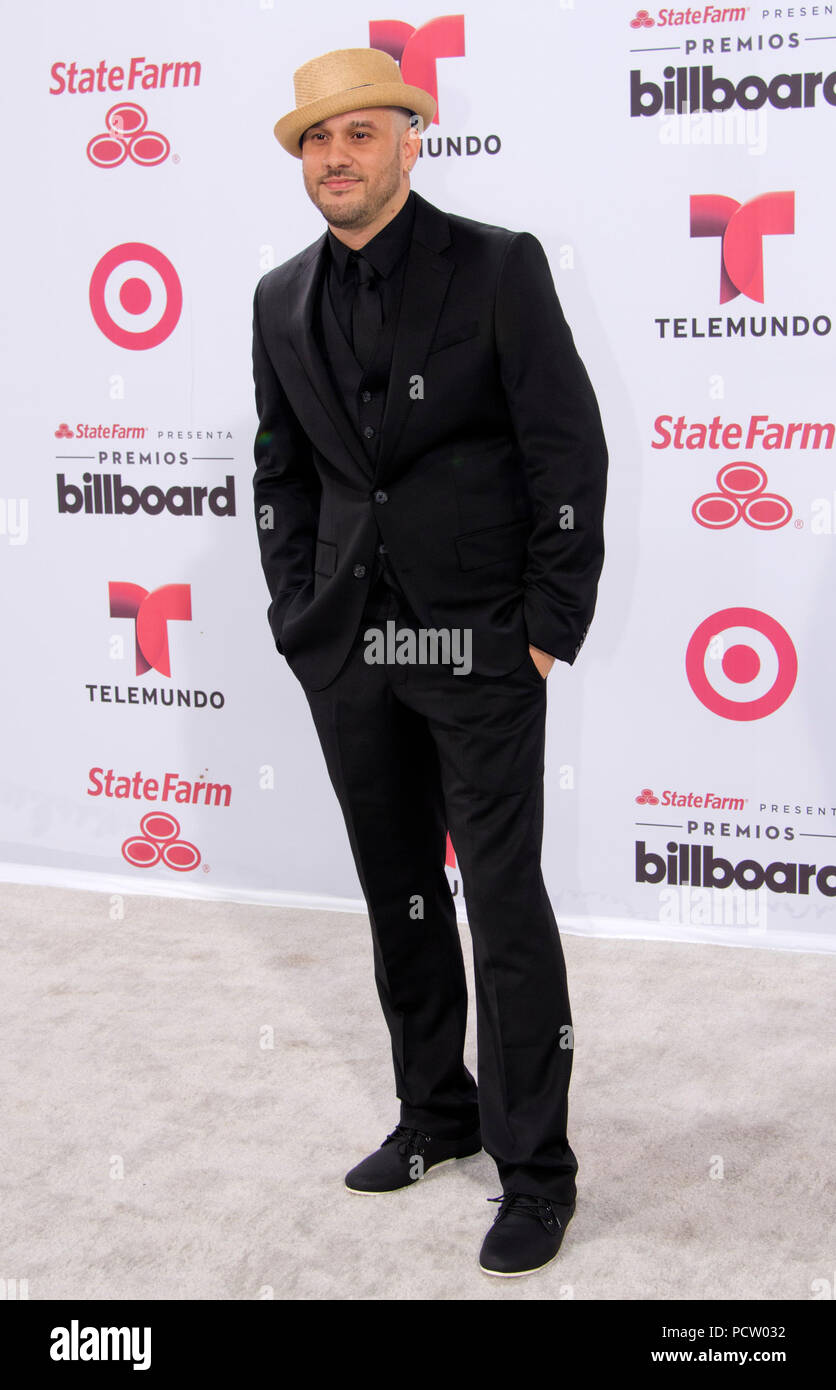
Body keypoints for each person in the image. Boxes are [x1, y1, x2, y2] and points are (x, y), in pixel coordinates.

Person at [251, 46, 608, 1277]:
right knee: (397, 890)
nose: (335, 158)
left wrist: (549, 624)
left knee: (502, 906)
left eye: (359, 134)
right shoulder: (277, 296)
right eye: (316, 140)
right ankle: (433, 1113)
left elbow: (566, 446)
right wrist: (296, 612)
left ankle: (536, 1169)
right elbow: (282, 473)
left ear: (412, 141)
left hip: (480, 644)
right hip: (349, 650)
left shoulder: (499, 265)